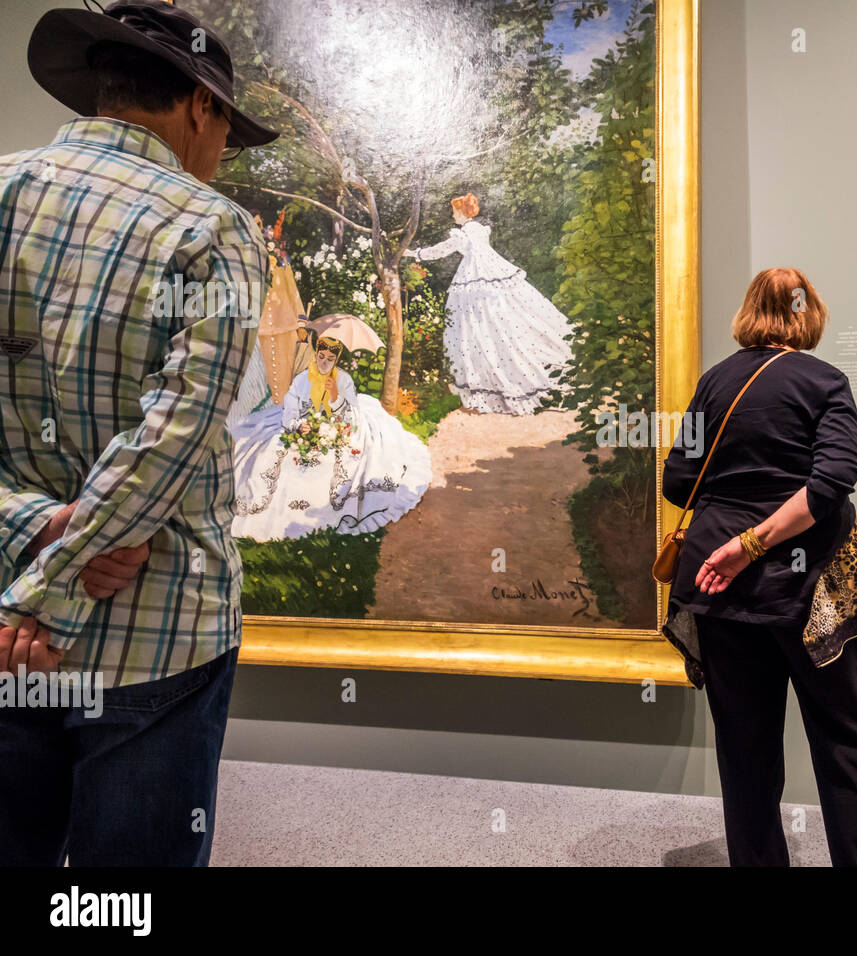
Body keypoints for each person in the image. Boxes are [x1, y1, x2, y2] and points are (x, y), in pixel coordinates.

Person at [0, 0, 277, 865]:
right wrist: (51, 595)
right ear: (203, 106)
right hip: (154, 633)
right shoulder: (209, 226)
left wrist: (28, 531)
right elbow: (177, 433)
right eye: (227, 130)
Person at [660, 267, 857, 866]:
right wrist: (757, 542)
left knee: (744, 749)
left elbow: (678, 483)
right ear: (808, 315)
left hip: (719, 587)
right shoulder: (825, 381)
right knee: (846, 742)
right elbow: (832, 479)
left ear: (749, 313)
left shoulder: (714, 384)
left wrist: (737, 540)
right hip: (812, 592)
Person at [229, 336, 433, 540]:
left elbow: (352, 414)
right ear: (316, 355)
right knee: (276, 453)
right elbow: (290, 412)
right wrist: (300, 426)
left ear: (336, 360)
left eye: (330, 359)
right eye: (321, 357)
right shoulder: (302, 380)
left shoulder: (342, 380)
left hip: (335, 426)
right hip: (308, 427)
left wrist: (335, 397)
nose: (324, 363)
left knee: (344, 454)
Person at [403, 193, 573, 415]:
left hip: (477, 278)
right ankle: (499, 377)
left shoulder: (462, 234)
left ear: (462, 212)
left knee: (479, 326)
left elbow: (439, 251)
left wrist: (412, 253)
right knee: (495, 325)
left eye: (454, 211)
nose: (452, 214)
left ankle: (500, 383)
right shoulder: (480, 230)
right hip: (491, 272)